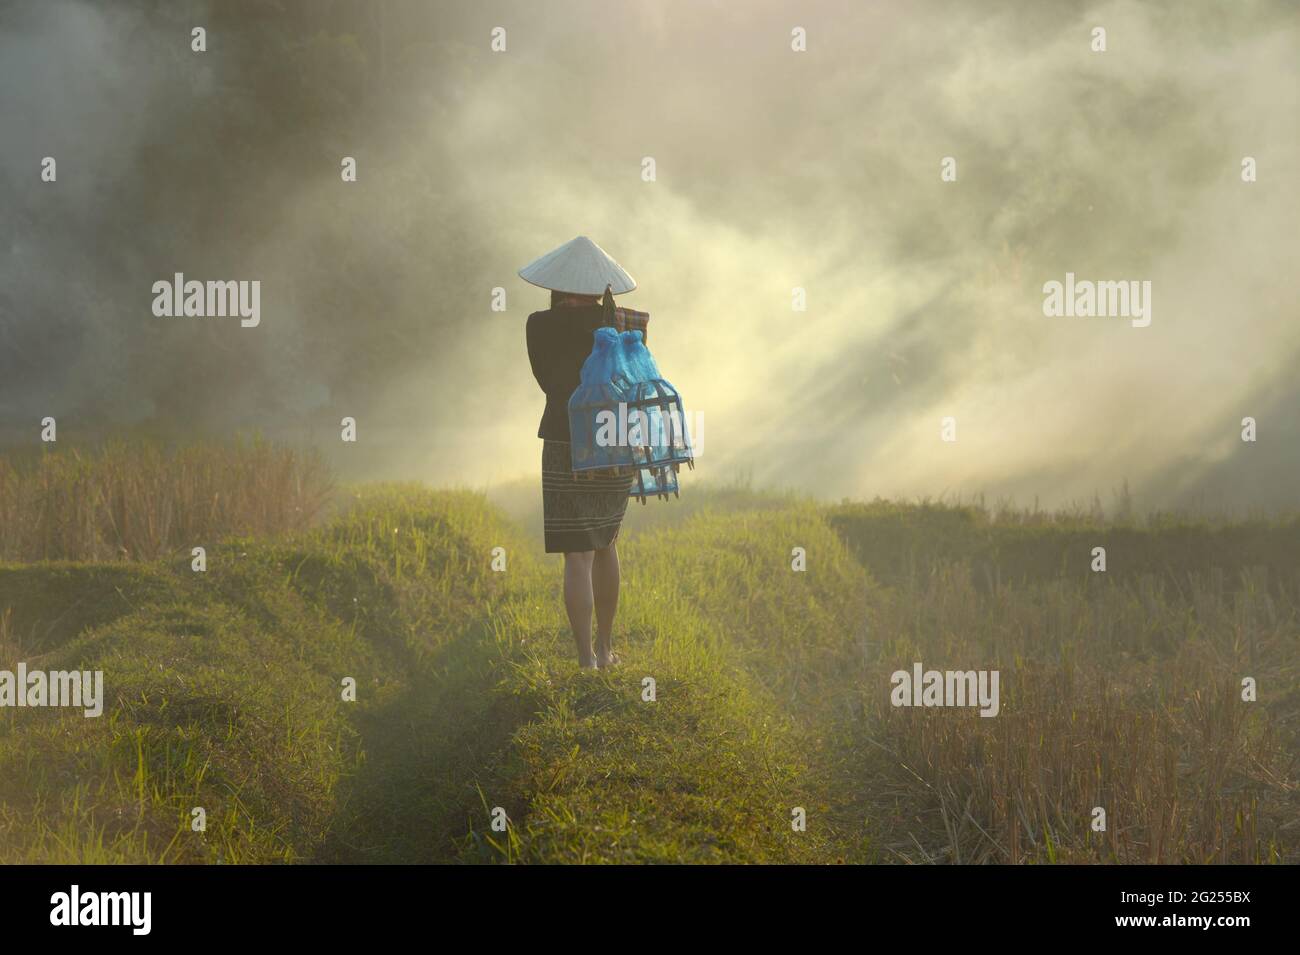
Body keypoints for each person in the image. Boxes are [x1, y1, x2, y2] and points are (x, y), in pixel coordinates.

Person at [520, 237, 638, 669]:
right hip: (613, 435)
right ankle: (607, 650)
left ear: (558, 285)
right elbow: (634, 380)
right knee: (607, 543)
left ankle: (586, 660)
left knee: (578, 554)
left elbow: (548, 384)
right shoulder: (621, 325)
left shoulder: (538, 324)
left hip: (564, 437)